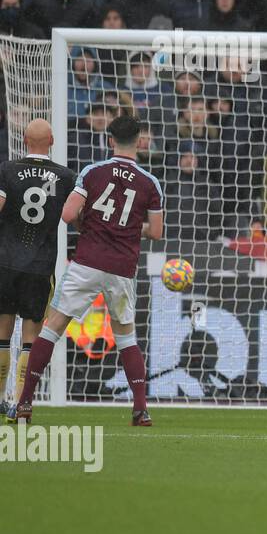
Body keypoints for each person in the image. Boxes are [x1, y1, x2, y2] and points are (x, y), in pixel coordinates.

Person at [12, 116, 163, 426]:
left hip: (87, 261)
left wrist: (88, 223)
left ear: (110, 141)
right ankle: (140, 409)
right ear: (139, 141)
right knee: (126, 337)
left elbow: (68, 215)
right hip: (122, 268)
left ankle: (25, 401)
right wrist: (132, 227)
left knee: (52, 329)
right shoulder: (150, 182)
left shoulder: (93, 172)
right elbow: (157, 232)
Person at [0, 119, 76, 412]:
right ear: (53, 140)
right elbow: (75, 217)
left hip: (6, 263)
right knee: (30, 339)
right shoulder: (67, 177)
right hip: (40, 266)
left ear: (23, 139)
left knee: (3, 333)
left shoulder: (7, 170)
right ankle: (22, 403)